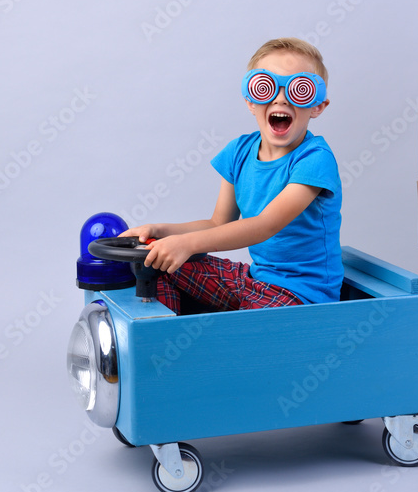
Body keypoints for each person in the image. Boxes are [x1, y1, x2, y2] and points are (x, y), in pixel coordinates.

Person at [121, 37, 342, 314]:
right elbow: (217, 222)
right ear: (251, 100)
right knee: (156, 264)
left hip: (301, 295)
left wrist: (187, 244)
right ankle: (164, 337)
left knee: (243, 329)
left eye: (300, 89)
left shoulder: (315, 158)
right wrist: (160, 232)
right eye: (267, 86)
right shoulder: (239, 152)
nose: (281, 97)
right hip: (254, 281)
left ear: (317, 106)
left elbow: (266, 225)